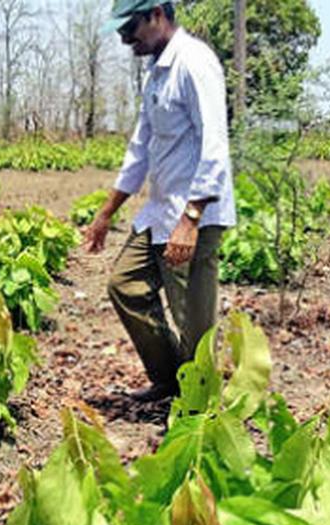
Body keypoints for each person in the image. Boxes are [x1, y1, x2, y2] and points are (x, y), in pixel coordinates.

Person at [85, 0, 237, 402]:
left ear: (156, 14)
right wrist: (105, 215)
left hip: (194, 217)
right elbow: (140, 150)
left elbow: (215, 146)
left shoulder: (194, 63)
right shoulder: (156, 73)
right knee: (126, 285)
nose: (124, 40)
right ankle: (171, 382)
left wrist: (191, 219)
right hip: (159, 214)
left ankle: (201, 408)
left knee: (193, 324)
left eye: (128, 28)